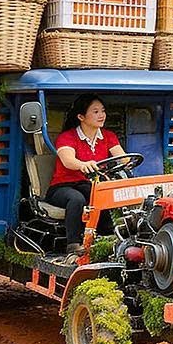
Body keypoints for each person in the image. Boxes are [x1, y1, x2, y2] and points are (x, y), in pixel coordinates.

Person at [49, 94, 126, 256]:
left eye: (103, 111)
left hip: (90, 184)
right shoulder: (67, 137)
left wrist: (128, 162)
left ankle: (110, 237)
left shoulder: (108, 136)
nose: (101, 115)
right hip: (62, 187)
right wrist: (83, 164)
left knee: (101, 193)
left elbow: (123, 158)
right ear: (81, 117)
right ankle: (73, 244)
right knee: (77, 199)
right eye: (96, 111)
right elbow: (68, 160)